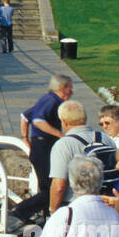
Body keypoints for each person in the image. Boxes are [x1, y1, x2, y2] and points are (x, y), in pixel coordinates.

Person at [14, 75, 73, 223]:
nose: (72, 92)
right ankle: (21, 210)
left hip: (39, 146)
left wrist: (25, 137)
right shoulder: (53, 101)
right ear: (63, 88)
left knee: (46, 185)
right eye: (70, 88)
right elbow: (39, 121)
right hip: (44, 146)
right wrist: (60, 134)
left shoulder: (46, 99)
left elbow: (25, 116)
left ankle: (48, 218)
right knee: (51, 188)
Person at [46, 101, 119, 212]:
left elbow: (59, 186)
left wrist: (53, 211)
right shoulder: (105, 138)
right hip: (106, 203)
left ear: (64, 122)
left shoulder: (63, 144)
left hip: (75, 205)